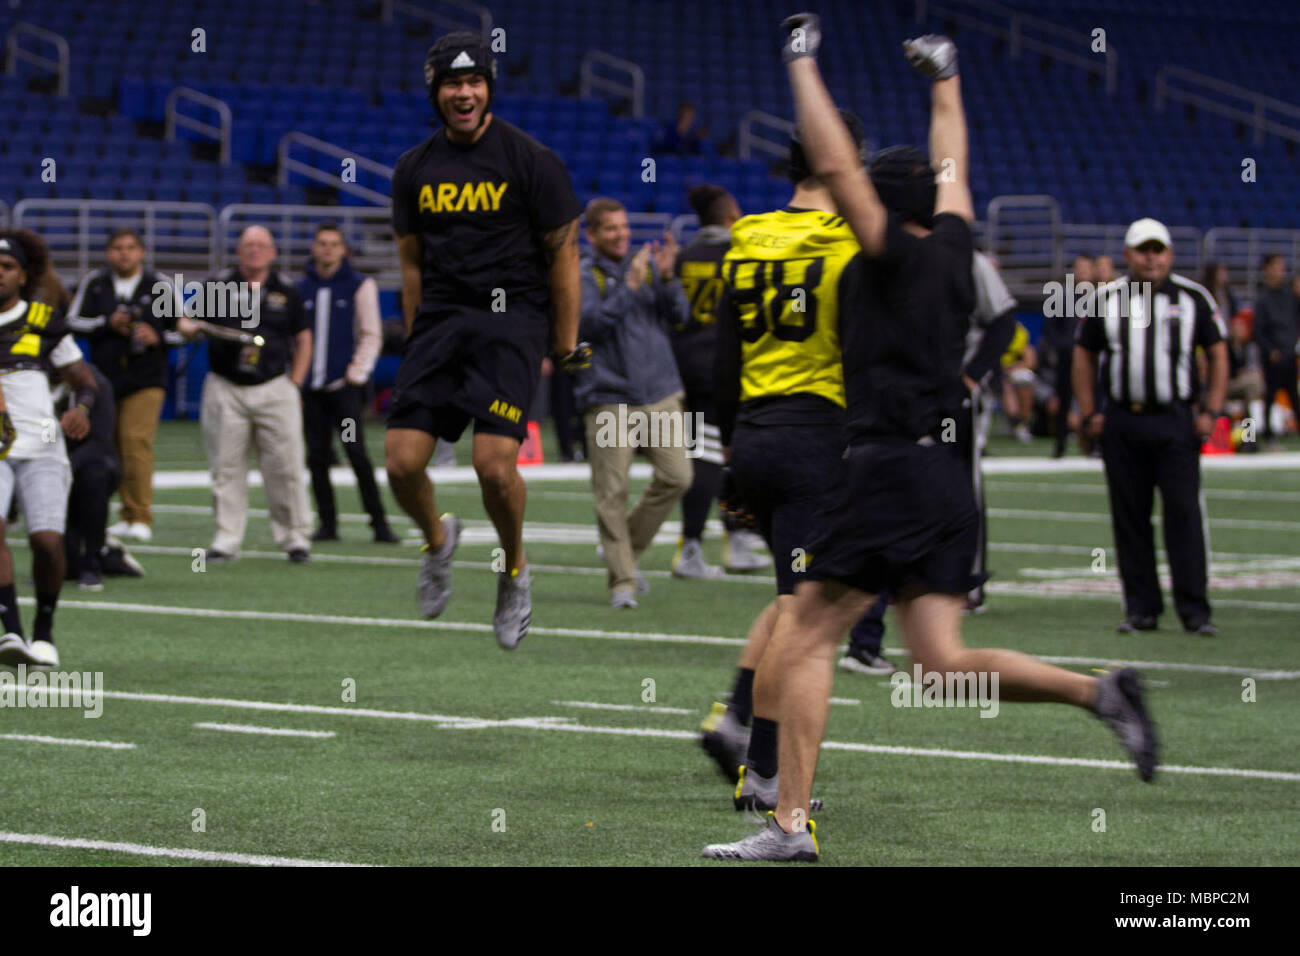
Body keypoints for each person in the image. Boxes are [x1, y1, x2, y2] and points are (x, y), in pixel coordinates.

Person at [703, 25, 1157, 863]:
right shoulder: (953, 247)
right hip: (948, 476)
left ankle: (788, 825)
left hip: (885, 468)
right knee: (941, 663)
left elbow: (835, 165)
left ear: (883, 206)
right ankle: (1100, 693)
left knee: (802, 633)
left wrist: (800, 61)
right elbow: (954, 162)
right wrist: (945, 79)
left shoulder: (885, 260)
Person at [386, 31, 583, 648]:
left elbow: (564, 256)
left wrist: (565, 342)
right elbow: (412, 263)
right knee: (400, 462)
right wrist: (418, 334)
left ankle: (514, 569)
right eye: (451, 83)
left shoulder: (532, 161)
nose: (463, 93)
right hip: (441, 322)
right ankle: (439, 539)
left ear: (489, 88)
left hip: (511, 324)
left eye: (473, 82)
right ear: (436, 92)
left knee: (493, 468)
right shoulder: (413, 169)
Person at [699, 113, 866, 798]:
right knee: (805, 614)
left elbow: (721, 356)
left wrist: (727, 451)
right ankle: (756, 758)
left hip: (755, 436)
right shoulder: (850, 243)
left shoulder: (747, 235)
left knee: (792, 598)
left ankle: (748, 741)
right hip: (813, 438)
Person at [1073, 218, 1228, 637]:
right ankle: (1141, 609)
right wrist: (1090, 414)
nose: (1152, 257)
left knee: (1183, 513)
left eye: (1158, 250)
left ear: (1170, 255)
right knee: (1130, 517)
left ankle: (1195, 612)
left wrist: (1211, 411)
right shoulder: (1105, 298)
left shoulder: (1193, 297)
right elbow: (1083, 356)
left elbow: (1217, 352)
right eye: (1144, 250)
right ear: (1128, 256)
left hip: (1175, 420)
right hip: (1124, 420)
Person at [576, 198, 693, 608]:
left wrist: (669, 278)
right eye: (611, 229)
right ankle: (622, 581)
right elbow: (589, 326)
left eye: (624, 227)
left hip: (660, 391)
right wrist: (629, 287)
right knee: (613, 490)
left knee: (678, 477)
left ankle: (623, 549)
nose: (621, 234)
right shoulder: (583, 272)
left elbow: (681, 317)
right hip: (610, 398)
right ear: (591, 234)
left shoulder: (645, 267)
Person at [0, 230, 101, 668]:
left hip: (41, 442)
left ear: (24, 275)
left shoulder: (45, 320)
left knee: (46, 541)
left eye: (6, 267)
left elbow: (85, 382)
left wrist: (81, 409)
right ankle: (11, 632)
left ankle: (44, 630)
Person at [184, 226, 314, 563]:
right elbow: (186, 321)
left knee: (285, 466)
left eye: (261, 245)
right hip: (226, 387)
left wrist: (295, 383)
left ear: (272, 252)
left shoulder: (287, 291)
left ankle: (295, 538)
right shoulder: (217, 286)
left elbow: (303, 338)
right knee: (226, 466)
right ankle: (226, 539)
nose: (255, 251)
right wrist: (189, 326)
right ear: (238, 251)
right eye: (248, 245)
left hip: (274, 386)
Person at [670, 184, 769, 578]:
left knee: (712, 452)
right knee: (719, 456)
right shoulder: (742, 253)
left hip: (687, 363)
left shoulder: (685, 255)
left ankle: (735, 538)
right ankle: (693, 546)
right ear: (730, 213)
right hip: (729, 366)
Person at [67, 227, 181, 543]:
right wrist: (106, 323)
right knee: (109, 446)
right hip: (104, 380)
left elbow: (182, 330)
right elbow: (72, 321)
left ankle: (140, 514)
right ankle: (121, 513)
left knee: (135, 442)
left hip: (146, 378)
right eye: (117, 247)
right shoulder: (96, 283)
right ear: (108, 252)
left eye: (130, 247)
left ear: (142, 251)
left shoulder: (159, 285)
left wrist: (157, 337)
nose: (124, 253)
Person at [297, 222, 397, 544]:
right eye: (322, 243)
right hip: (312, 392)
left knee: (356, 452)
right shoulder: (301, 288)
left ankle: (379, 523)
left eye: (333, 244)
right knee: (316, 456)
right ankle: (328, 523)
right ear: (314, 247)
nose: (327, 249)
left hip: (344, 392)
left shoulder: (358, 285)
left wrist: (355, 375)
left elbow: (371, 334)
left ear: (343, 249)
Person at [53, 362, 118, 590]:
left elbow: (100, 441)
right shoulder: (36, 383)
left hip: (91, 463)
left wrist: (65, 466)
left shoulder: (97, 385)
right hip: (55, 461)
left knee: (94, 477)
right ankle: (58, 561)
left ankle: (93, 560)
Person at [1043, 254, 1092, 457]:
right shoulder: (1062, 296)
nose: (1081, 272)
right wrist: (1062, 347)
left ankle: (1092, 444)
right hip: (1067, 357)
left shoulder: (1100, 297)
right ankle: (1060, 443)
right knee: (1063, 400)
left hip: (1091, 359)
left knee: (1092, 401)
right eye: (1078, 268)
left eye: (1085, 268)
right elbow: (1050, 328)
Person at [1251, 254, 1299, 447]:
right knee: (1270, 396)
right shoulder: (1262, 299)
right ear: (1267, 269)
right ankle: (1268, 435)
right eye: (1278, 266)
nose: (1282, 271)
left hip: (1289, 354)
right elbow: (1258, 330)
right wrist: (1269, 351)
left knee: (1294, 396)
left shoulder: (1289, 296)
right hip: (1273, 357)